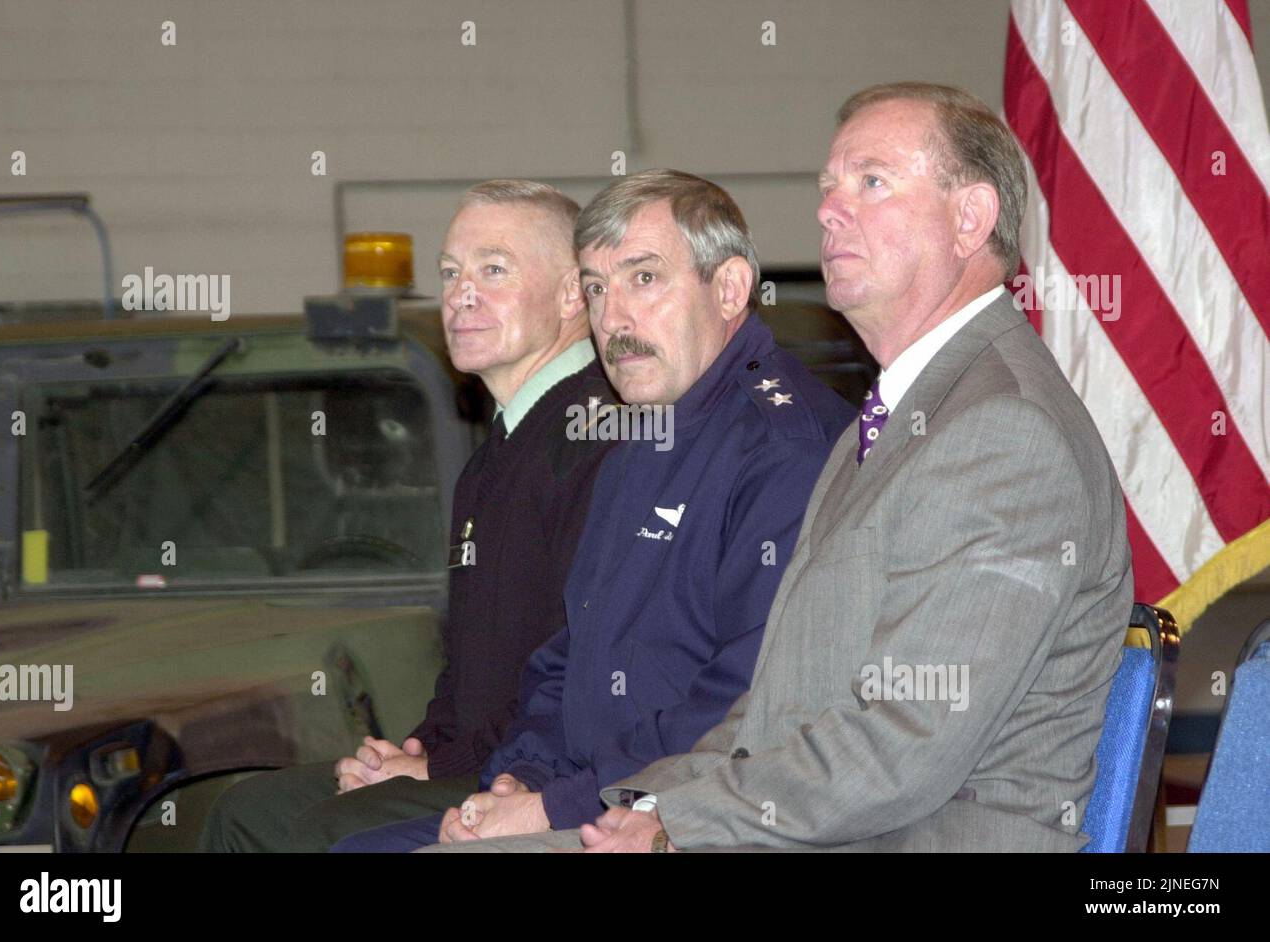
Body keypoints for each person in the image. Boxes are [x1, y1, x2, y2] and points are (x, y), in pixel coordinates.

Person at [422, 84, 1134, 854]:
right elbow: (771, 711)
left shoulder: (1002, 431)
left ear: (970, 218)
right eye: (828, 188)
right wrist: (637, 802)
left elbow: (902, 746)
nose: (829, 210)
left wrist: (675, 825)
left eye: (871, 182)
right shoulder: (902, 415)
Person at [331, 169, 855, 851]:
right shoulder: (645, 432)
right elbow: (567, 657)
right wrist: (517, 775)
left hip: (686, 813)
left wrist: (554, 803)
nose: (614, 319)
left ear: (728, 289)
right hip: (582, 790)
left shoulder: (783, 450)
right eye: (599, 288)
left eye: (644, 279)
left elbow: (747, 705)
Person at [200, 180, 619, 851]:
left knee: (325, 833)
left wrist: (436, 767)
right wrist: (413, 749)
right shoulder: (498, 451)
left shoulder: (595, 438)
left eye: (493, 270)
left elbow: (569, 662)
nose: (461, 294)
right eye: (451, 273)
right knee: (245, 811)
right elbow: (472, 663)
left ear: (573, 294)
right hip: (472, 757)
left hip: (539, 771)